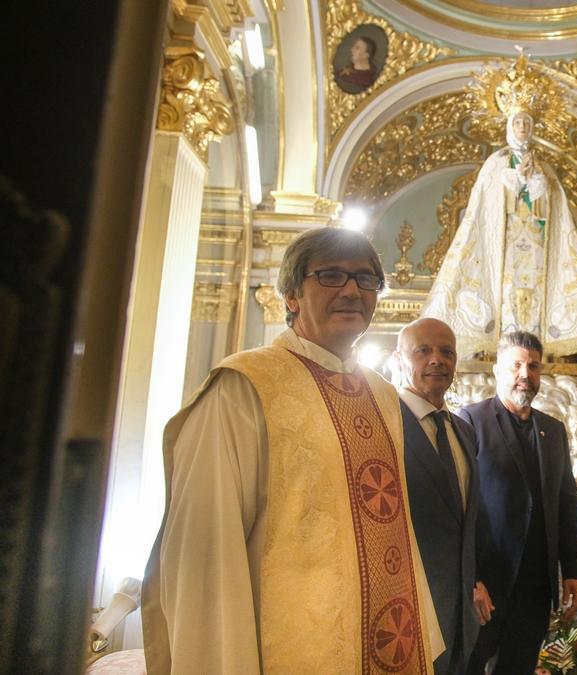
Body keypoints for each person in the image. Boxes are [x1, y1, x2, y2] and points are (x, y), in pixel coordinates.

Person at [141, 227, 442, 674]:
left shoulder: (380, 395)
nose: (351, 291)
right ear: (291, 294)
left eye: (365, 280)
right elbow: (204, 551)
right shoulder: (245, 387)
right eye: (331, 276)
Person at [421, 106, 577, 358]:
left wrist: (537, 184)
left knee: (535, 302)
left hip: (536, 247)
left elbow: (554, 212)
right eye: (518, 122)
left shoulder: (544, 169)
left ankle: (535, 353)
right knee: (506, 299)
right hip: (505, 246)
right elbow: (487, 206)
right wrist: (514, 179)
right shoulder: (495, 165)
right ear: (509, 126)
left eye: (526, 123)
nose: (522, 127)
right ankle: (502, 352)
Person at [458, 331, 577, 674]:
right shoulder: (470, 421)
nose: (524, 374)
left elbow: (567, 503)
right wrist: (471, 580)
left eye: (533, 366)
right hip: (488, 585)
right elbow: (461, 509)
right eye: (516, 365)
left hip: (535, 587)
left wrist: (573, 570)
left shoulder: (553, 429)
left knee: (518, 668)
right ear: (497, 370)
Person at [394, 318, 481, 675]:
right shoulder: (383, 422)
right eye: (423, 351)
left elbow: (466, 521)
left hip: (462, 613)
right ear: (400, 361)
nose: (437, 360)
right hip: (406, 612)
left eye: (447, 352)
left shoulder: (463, 429)